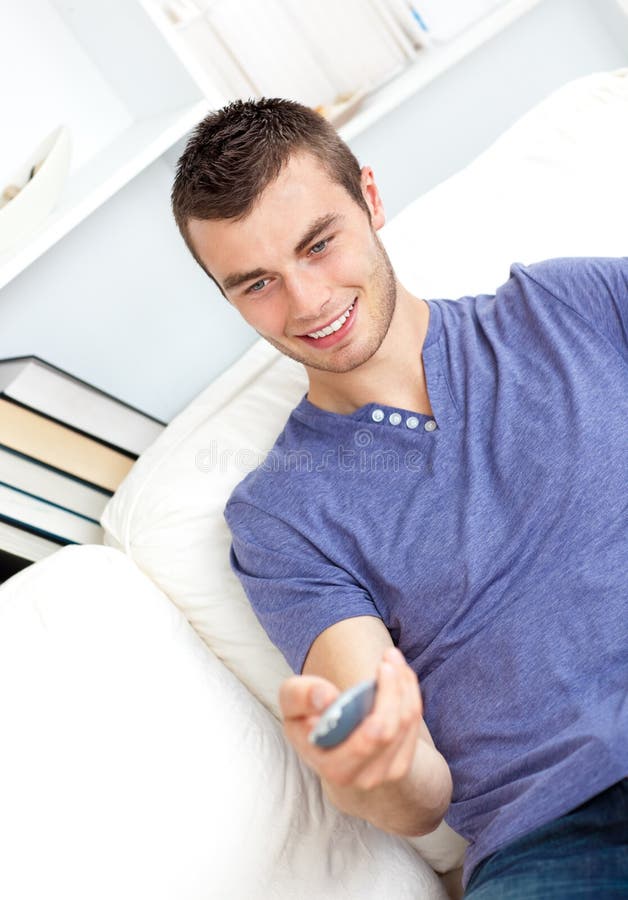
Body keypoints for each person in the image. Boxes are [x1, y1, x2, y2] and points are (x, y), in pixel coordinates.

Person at [170, 97, 627, 897]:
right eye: (257, 284)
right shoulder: (282, 516)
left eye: (319, 244)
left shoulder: (576, 306)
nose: (307, 302)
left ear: (370, 199)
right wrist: (368, 772)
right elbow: (418, 796)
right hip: (558, 840)